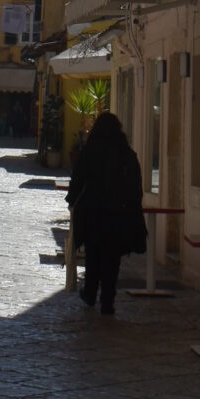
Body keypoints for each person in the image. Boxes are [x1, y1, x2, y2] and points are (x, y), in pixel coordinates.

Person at [66, 112, 147, 316]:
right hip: (118, 214)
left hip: (94, 213)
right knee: (112, 259)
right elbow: (136, 185)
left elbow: (78, 179)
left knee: (94, 255)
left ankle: (91, 292)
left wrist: (72, 200)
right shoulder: (126, 154)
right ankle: (107, 301)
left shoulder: (90, 152)